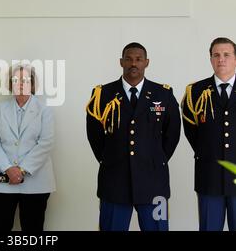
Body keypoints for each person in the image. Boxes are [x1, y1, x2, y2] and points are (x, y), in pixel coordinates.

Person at [86, 42, 181, 231]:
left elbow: (173, 133)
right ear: (121, 62)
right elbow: (94, 134)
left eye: (138, 59)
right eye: (128, 59)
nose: (133, 64)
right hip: (114, 181)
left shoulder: (163, 93)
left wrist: (156, 159)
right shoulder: (102, 94)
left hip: (155, 183)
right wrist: (109, 159)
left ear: (147, 62)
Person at [0, 64, 55, 231]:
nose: (20, 84)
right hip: (3, 180)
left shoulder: (44, 110)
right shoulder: (0, 109)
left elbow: (45, 143)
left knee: (33, 231)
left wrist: (22, 170)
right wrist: (8, 168)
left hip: (36, 182)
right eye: (16, 80)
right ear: (10, 84)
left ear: (32, 84)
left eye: (25, 80)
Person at [182, 37, 236, 231]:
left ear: (235, 58)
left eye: (226, 55)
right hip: (209, 177)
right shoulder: (195, 92)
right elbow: (192, 133)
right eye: (216, 55)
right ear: (210, 59)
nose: (221, 59)